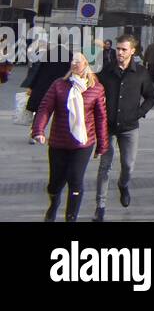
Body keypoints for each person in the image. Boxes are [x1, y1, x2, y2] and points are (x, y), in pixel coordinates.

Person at [32, 52, 107, 222]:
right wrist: (39, 130)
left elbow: (101, 117)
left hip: (83, 143)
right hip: (59, 141)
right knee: (55, 183)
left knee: (75, 178)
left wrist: (102, 145)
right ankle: (54, 201)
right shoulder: (59, 85)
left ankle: (71, 217)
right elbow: (45, 108)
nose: (74, 64)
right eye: (72, 60)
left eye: (78, 61)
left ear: (87, 64)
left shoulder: (96, 88)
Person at [93, 34, 154, 220]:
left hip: (130, 127)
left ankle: (123, 185)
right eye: (118, 49)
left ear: (132, 51)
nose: (119, 52)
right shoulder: (105, 70)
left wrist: (138, 112)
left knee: (128, 165)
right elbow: (95, 92)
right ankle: (100, 205)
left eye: (124, 49)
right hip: (107, 126)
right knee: (105, 166)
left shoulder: (141, 72)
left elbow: (151, 97)